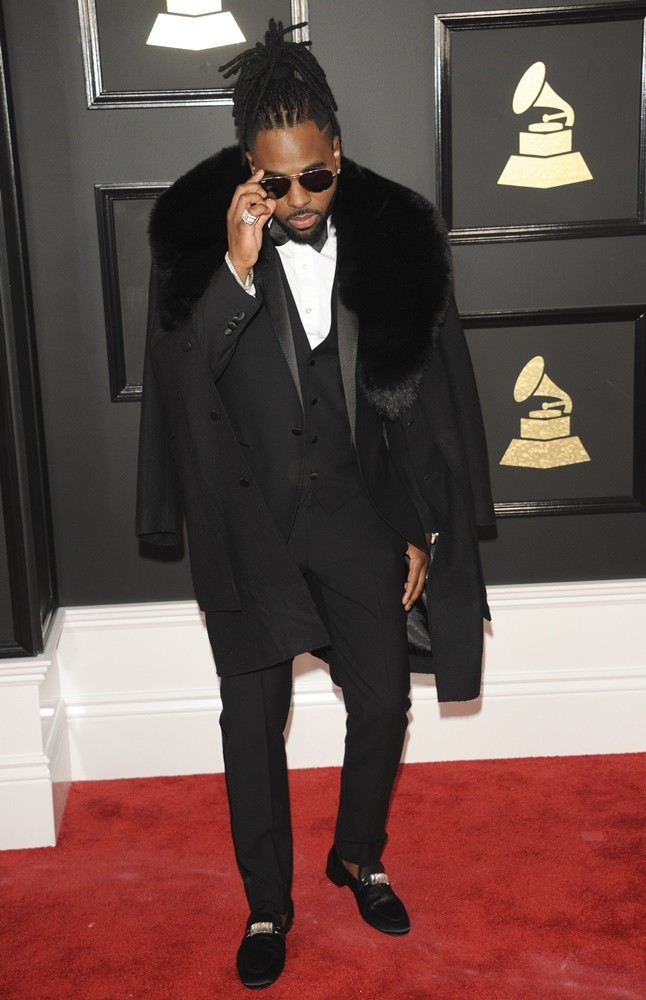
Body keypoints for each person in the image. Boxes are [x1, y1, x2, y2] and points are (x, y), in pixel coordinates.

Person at [136, 19, 494, 990]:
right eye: (274, 180)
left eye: (313, 177)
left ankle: (357, 853)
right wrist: (239, 270)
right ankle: (266, 904)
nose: (296, 200)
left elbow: (421, 397)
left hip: (350, 512)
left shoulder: (393, 228)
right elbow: (178, 381)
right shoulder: (192, 235)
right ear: (248, 165)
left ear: (335, 150)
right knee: (249, 723)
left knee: (381, 701)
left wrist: (419, 523)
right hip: (246, 521)